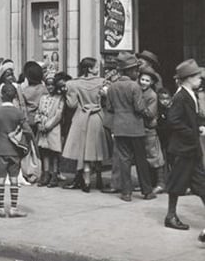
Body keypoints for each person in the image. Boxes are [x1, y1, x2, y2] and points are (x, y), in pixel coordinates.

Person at [105, 52, 155, 201]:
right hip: (136, 128)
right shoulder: (135, 86)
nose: (137, 72)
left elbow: (109, 107)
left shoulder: (113, 87)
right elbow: (139, 108)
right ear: (128, 70)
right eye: (134, 69)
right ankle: (147, 191)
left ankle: (126, 192)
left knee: (124, 161)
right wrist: (149, 114)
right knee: (141, 159)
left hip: (119, 127)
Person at [163, 59, 205, 231]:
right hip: (183, 148)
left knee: (201, 183)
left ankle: (171, 216)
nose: (200, 79)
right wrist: (193, 133)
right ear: (188, 78)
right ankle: (170, 216)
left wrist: (198, 126)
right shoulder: (181, 96)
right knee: (177, 183)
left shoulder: (189, 94)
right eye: (197, 76)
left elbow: (188, 118)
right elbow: (173, 121)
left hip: (189, 148)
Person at [62, 57, 110, 192]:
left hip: (81, 118)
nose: (97, 69)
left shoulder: (73, 84)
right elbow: (106, 101)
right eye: (95, 67)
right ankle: (99, 179)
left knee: (84, 151)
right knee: (97, 149)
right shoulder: (102, 82)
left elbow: (71, 104)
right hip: (97, 117)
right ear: (89, 69)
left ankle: (86, 181)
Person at [0, 83, 32, 218]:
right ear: (14, 96)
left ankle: (0, 208)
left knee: (0, 179)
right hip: (14, 151)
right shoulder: (18, 113)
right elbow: (28, 131)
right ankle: (13, 208)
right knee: (14, 179)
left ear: (2, 95)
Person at [138, 66, 166, 194]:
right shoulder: (139, 91)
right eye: (142, 79)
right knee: (144, 156)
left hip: (149, 129)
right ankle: (148, 182)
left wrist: (137, 108)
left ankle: (160, 183)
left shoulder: (152, 95)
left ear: (152, 83)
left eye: (147, 80)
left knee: (154, 156)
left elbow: (150, 113)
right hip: (141, 129)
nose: (143, 82)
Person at [35, 74, 64, 187]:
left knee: (54, 152)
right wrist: (38, 122)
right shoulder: (43, 98)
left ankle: (54, 174)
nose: (50, 87)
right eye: (48, 85)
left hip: (53, 128)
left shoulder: (59, 98)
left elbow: (58, 114)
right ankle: (46, 173)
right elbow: (38, 111)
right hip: (42, 128)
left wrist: (47, 125)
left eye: (52, 85)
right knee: (44, 151)